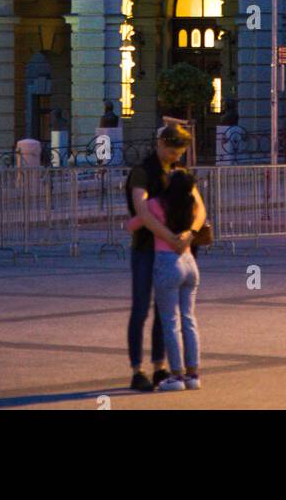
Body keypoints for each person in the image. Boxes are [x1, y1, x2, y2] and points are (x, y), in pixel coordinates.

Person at [125, 123, 193, 391]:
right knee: (141, 308)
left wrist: (191, 232)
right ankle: (136, 370)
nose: (178, 157)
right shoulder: (142, 172)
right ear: (162, 144)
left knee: (163, 311)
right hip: (145, 249)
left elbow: (197, 204)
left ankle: (158, 366)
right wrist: (171, 237)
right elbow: (142, 212)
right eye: (175, 151)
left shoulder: (179, 172)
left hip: (170, 250)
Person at [128, 166, 206, 392]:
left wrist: (141, 204)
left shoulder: (156, 204)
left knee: (171, 323)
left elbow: (133, 224)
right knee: (189, 319)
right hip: (190, 262)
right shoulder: (191, 205)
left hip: (167, 263)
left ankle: (176, 376)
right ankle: (193, 374)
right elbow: (201, 214)